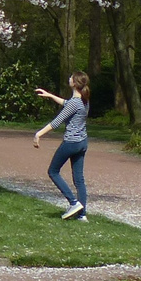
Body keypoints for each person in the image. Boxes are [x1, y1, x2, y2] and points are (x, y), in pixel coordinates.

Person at [34, 71, 91, 221]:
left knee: (53, 171)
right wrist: (50, 95)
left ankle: (73, 203)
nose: (69, 78)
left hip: (71, 143)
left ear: (74, 83)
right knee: (79, 179)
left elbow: (56, 122)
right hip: (82, 142)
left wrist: (39, 134)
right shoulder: (84, 101)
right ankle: (82, 215)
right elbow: (67, 104)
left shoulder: (74, 103)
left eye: (71, 77)